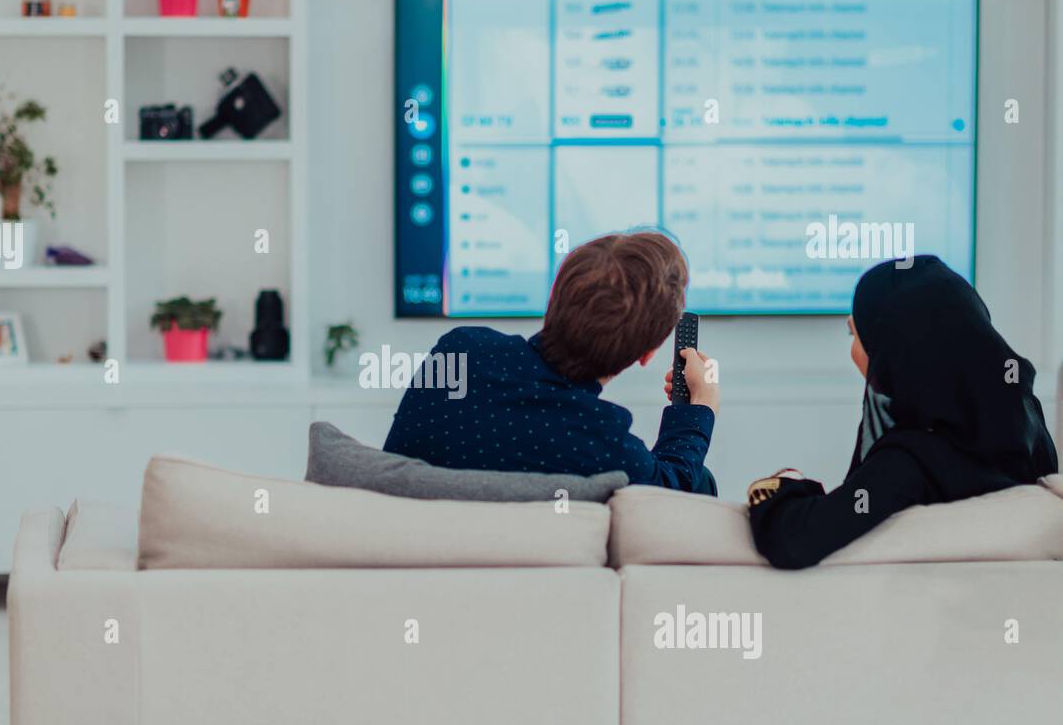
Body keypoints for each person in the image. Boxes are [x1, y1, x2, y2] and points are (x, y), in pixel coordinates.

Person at [747, 255, 1058, 569]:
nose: (854, 349)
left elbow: (794, 541)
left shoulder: (909, 462)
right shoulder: (1029, 431)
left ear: (894, 351)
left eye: (855, 335)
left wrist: (786, 483)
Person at [383, 231, 719, 494]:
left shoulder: (458, 350)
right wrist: (699, 406)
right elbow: (671, 492)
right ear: (649, 352)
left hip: (412, 561)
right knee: (699, 479)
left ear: (552, 303)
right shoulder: (605, 446)